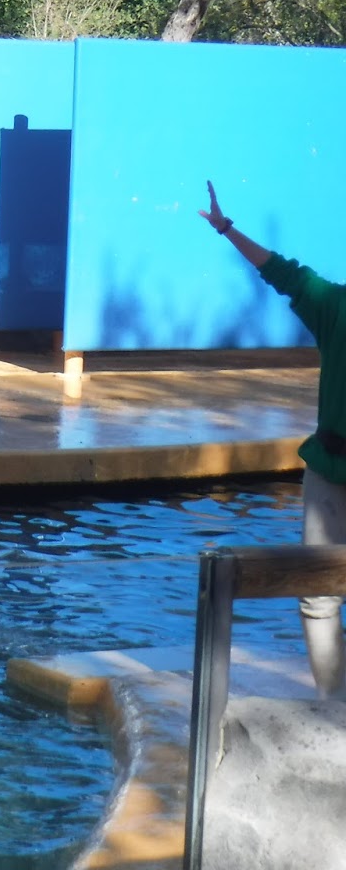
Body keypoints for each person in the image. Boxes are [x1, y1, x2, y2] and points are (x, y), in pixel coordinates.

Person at [202, 180, 346, 699]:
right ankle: (335, 705)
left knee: (320, 596)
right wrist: (227, 229)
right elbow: (282, 272)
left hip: (330, 468)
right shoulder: (337, 307)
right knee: (317, 595)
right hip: (330, 467)